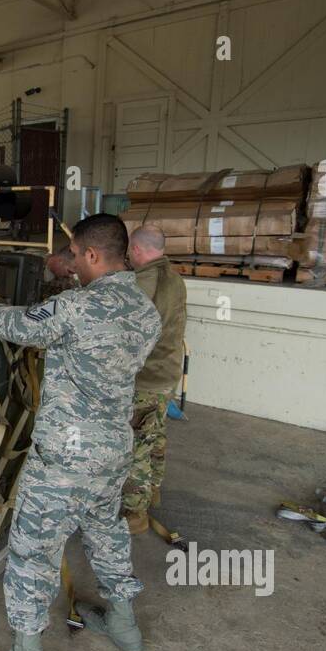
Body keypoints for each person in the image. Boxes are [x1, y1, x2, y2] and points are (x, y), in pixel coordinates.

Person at [0, 213, 161, 651]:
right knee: (106, 532)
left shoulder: (76, 308)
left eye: (74, 255)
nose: (71, 263)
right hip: (114, 450)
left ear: (93, 255)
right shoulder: (145, 311)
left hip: (65, 460)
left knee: (33, 551)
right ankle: (123, 623)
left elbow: (12, 325)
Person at [122, 224, 187, 534]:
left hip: (145, 379)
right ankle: (153, 489)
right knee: (156, 435)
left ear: (136, 250)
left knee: (136, 447)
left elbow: (127, 338)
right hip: (168, 374)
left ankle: (134, 514)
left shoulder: (141, 284)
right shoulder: (176, 280)